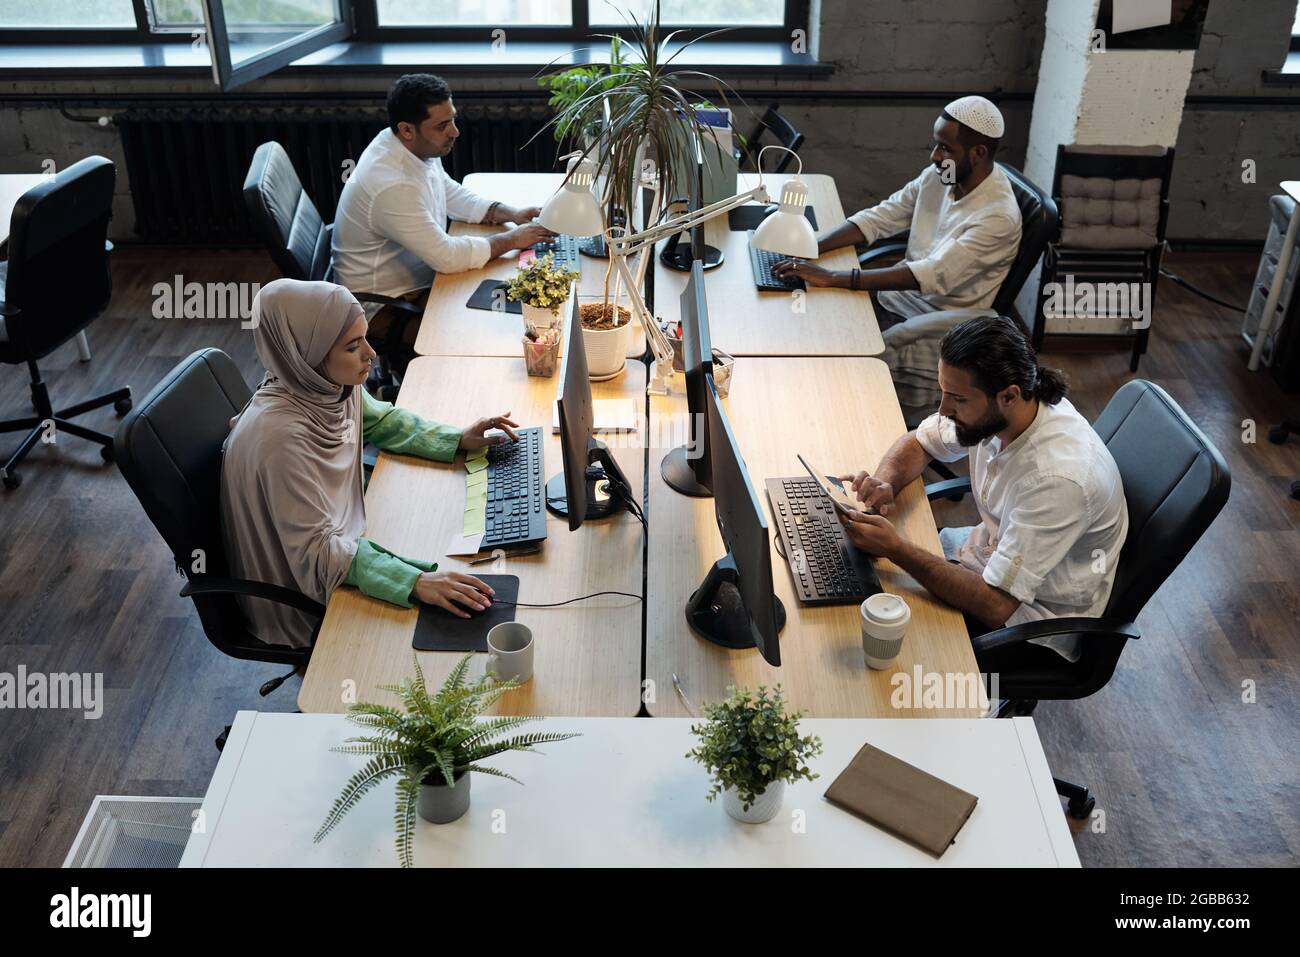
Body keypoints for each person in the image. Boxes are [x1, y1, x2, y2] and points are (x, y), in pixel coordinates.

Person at [220, 278, 518, 650]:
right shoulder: (277, 440)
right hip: (299, 589)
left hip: (341, 537)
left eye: (365, 338)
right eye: (352, 346)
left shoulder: (321, 384)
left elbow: (379, 420)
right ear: (308, 354)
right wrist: (414, 581)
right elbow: (317, 553)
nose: (371, 355)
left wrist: (456, 438)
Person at [837, 316, 1128, 664]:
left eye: (957, 398)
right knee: (857, 585)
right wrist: (886, 482)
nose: (944, 409)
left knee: (878, 637)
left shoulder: (1057, 480)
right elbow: (921, 441)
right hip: (985, 557)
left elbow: (995, 605)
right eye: (944, 392)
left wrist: (897, 548)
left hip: (1027, 623)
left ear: (1009, 395)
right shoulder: (1005, 412)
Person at [331, 73, 555, 356]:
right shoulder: (391, 183)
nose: (455, 132)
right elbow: (447, 257)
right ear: (407, 129)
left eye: (452, 120)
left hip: (421, 281)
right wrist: (512, 240)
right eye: (442, 126)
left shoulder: (406, 146)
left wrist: (510, 213)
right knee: (488, 331)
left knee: (506, 301)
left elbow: (448, 192)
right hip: (384, 306)